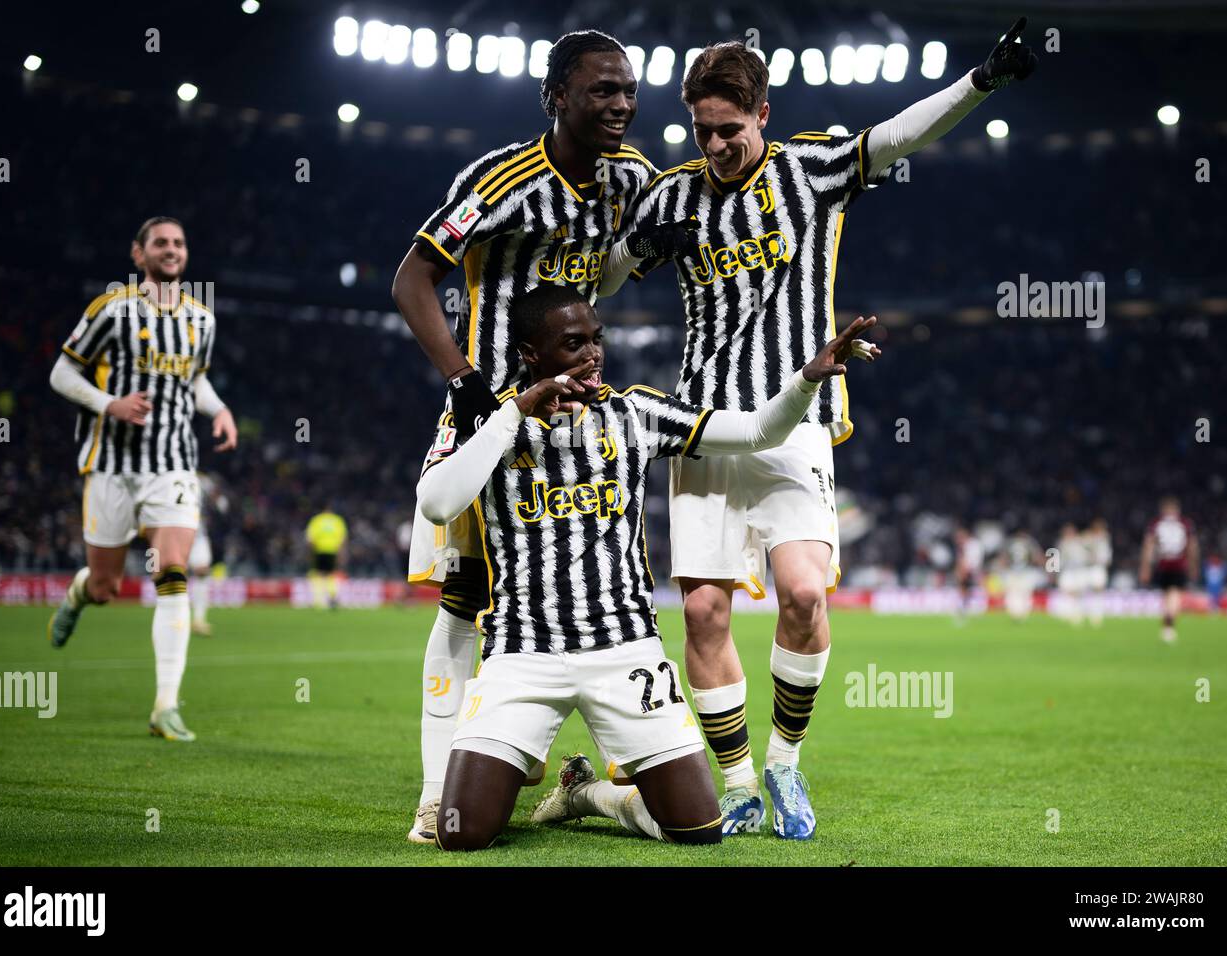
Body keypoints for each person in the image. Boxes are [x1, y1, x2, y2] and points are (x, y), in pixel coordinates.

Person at [596, 19, 1037, 837]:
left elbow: (899, 135)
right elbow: (606, 278)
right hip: (704, 426)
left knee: (803, 592)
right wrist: (630, 246)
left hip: (795, 419)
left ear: (763, 111)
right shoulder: (673, 194)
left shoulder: (810, 170)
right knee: (702, 615)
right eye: (703, 131)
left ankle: (786, 765)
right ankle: (737, 785)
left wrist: (979, 81)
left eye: (730, 128)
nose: (717, 144)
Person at [419, 285, 879, 850]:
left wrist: (807, 379)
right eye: (573, 343)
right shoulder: (485, 421)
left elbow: (757, 432)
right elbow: (437, 502)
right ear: (531, 353)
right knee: (461, 833)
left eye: (596, 340)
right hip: (522, 657)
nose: (592, 355)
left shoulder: (634, 413)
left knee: (698, 828)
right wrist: (513, 413)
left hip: (626, 651)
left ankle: (590, 794)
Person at [392, 30, 656, 843]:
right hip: (496, 419)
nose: (618, 105)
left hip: (582, 427)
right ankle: (439, 791)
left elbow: (611, 271)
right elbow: (412, 278)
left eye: (626, 91)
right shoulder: (502, 179)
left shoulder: (634, 179)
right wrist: (467, 385)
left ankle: (568, 762)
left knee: (587, 593)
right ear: (556, 98)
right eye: (600, 90)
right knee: (469, 598)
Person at [46, 216, 238, 742]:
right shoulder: (111, 311)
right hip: (111, 466)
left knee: (172, 569)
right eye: (160, 243)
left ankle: (165, 705)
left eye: (178, 242)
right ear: (139, 254)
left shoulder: (202, 320)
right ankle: (80, 594)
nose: (171, 250)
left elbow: (193, 378)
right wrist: (110, 402)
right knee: (107, 586)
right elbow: (62, 373)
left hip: (174, 463)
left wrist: (219, 410)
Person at [1139, 497, 1198, 643]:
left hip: (1163, 564)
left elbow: (1148, 546)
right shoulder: (1185, 523)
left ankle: (1167, 624)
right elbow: (1192, 546)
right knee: (1175, 594)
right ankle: (1169, 622)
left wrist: (1145, 567)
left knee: (1166, 595)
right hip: (1179, 564)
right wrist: (1193, 565)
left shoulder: (1156, 524)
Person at [188, 471, 226, 636]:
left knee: (203, 571)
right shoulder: (166, 471)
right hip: (175, 531)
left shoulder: (203, 480)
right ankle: (175, 617)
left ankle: (199, 620)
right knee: (173, 572)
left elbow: (218, 500)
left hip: (198, 534)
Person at [305, 506, 347, 610]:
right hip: (332, 551)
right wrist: (341, 553)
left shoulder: (317, 520)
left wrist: (311, 552)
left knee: (317, 574)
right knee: (331, 574)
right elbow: (343, 538)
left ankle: (316, 600)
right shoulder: (337, 520)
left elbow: (310, 538)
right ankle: (332, 598)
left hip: (319, 550)